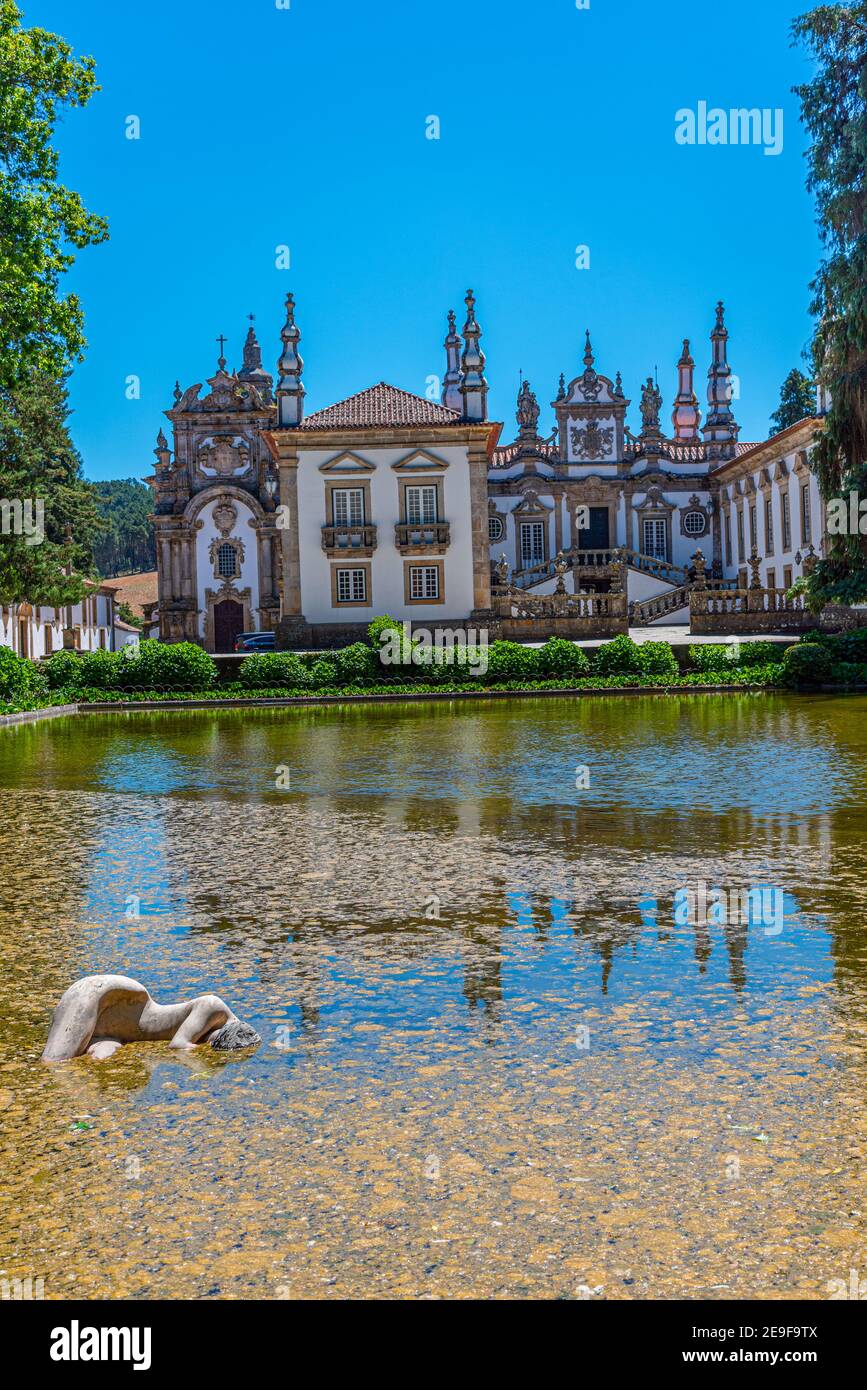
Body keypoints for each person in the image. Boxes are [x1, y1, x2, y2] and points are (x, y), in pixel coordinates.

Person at [42, 974, 260, 1061]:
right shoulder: (214, 1007)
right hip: (98, 995)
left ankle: (98, 1038)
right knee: (54, 1063)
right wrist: (202, 1062)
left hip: (118, 1025)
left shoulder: (215, 1022)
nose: (211, 1043)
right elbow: (178, 1044)